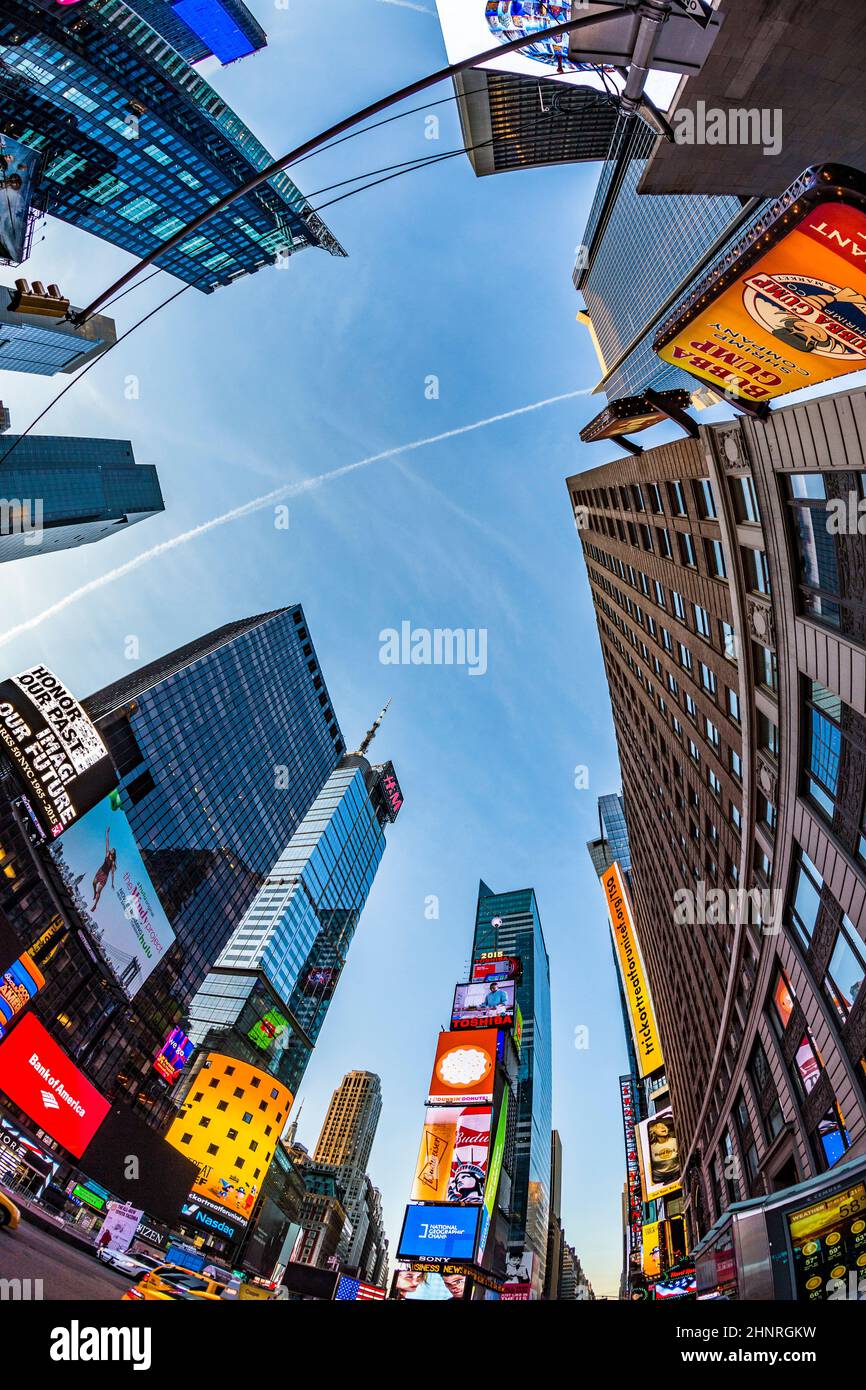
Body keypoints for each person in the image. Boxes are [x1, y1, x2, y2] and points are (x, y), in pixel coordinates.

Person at [91, 827, 117, 910]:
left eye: (112, 850)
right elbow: (107, 842)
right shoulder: (106, 854)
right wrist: (107, 833)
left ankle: (95, 905)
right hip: (100, 871)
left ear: (113, 853)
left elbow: (112, 873)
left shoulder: (112, 862)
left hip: (105, 876)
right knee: (93, 883)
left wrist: (112, 883)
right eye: (111, 849)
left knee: (99, 891)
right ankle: (94, 892)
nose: (111, 849)